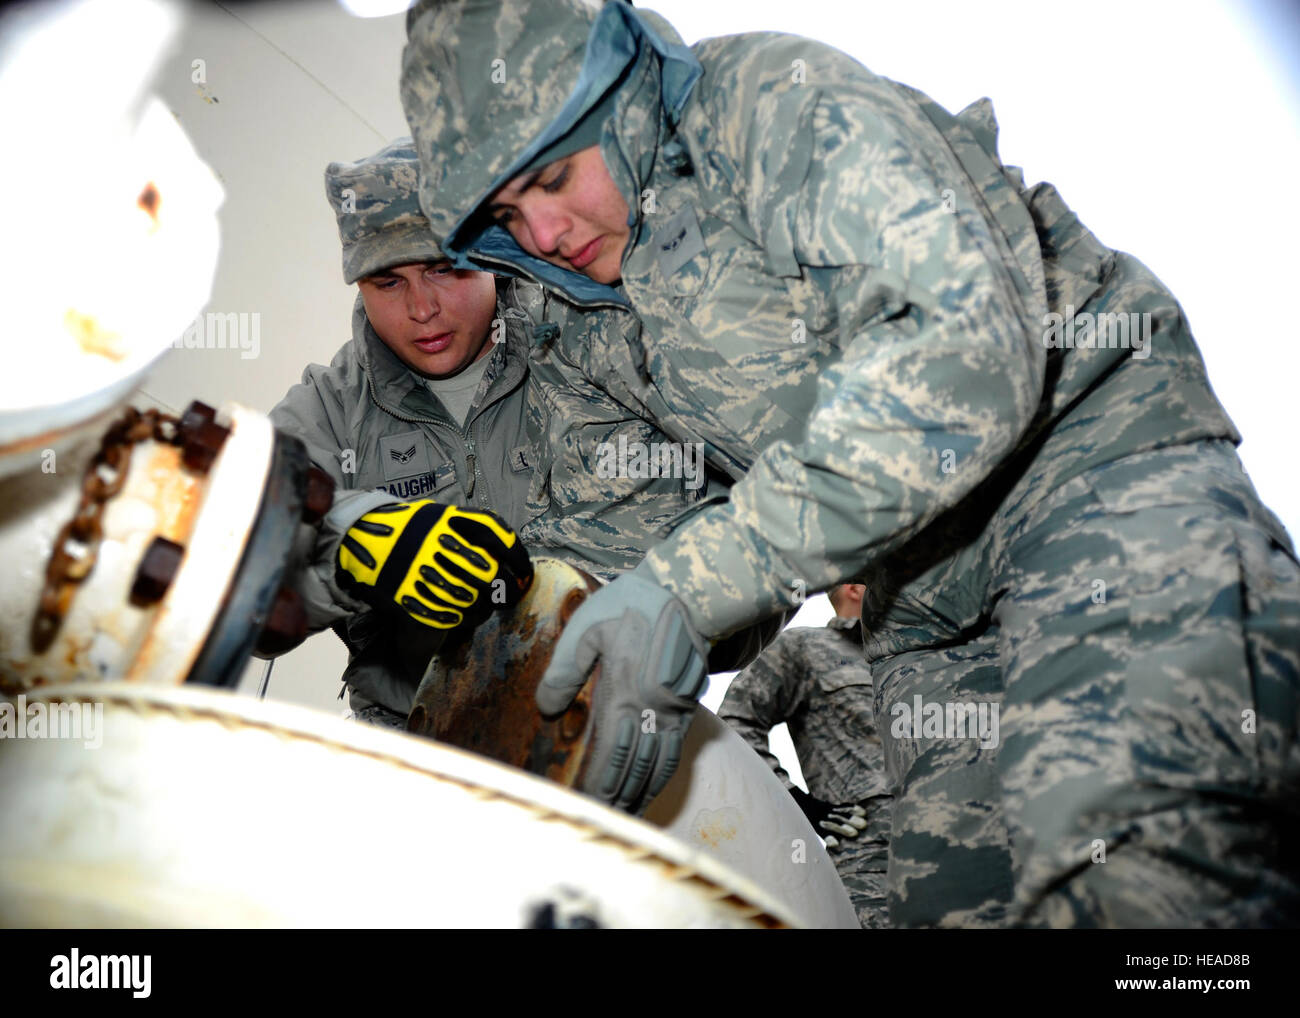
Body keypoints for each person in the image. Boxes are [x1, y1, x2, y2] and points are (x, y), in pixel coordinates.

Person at [400, 0, 1300, 926]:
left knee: (1141, 888)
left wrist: (692, 586)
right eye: (506, 215)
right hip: (918, 609)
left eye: (555, 176)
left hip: (1090, 479)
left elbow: (961, 347)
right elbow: (631, 562)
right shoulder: (584, 319)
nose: (545, 234)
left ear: (619, 93)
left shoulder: (767, 108)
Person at [271, 137, 776, 730]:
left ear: (492, 252)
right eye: (388, 283)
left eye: (445, 267)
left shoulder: (601, 335)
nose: (423, 308)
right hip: (417, 751)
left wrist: (667, 618)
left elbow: (788, 498)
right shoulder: (328, 412)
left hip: (620, 726)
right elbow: (233, 592)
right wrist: (349, 543)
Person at [719, 583, 892, 928]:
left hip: (956, 855)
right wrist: (797, 803)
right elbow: (735, 721)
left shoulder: (915, 660)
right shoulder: (804, 647)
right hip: (870, 862)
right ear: (854, 587)